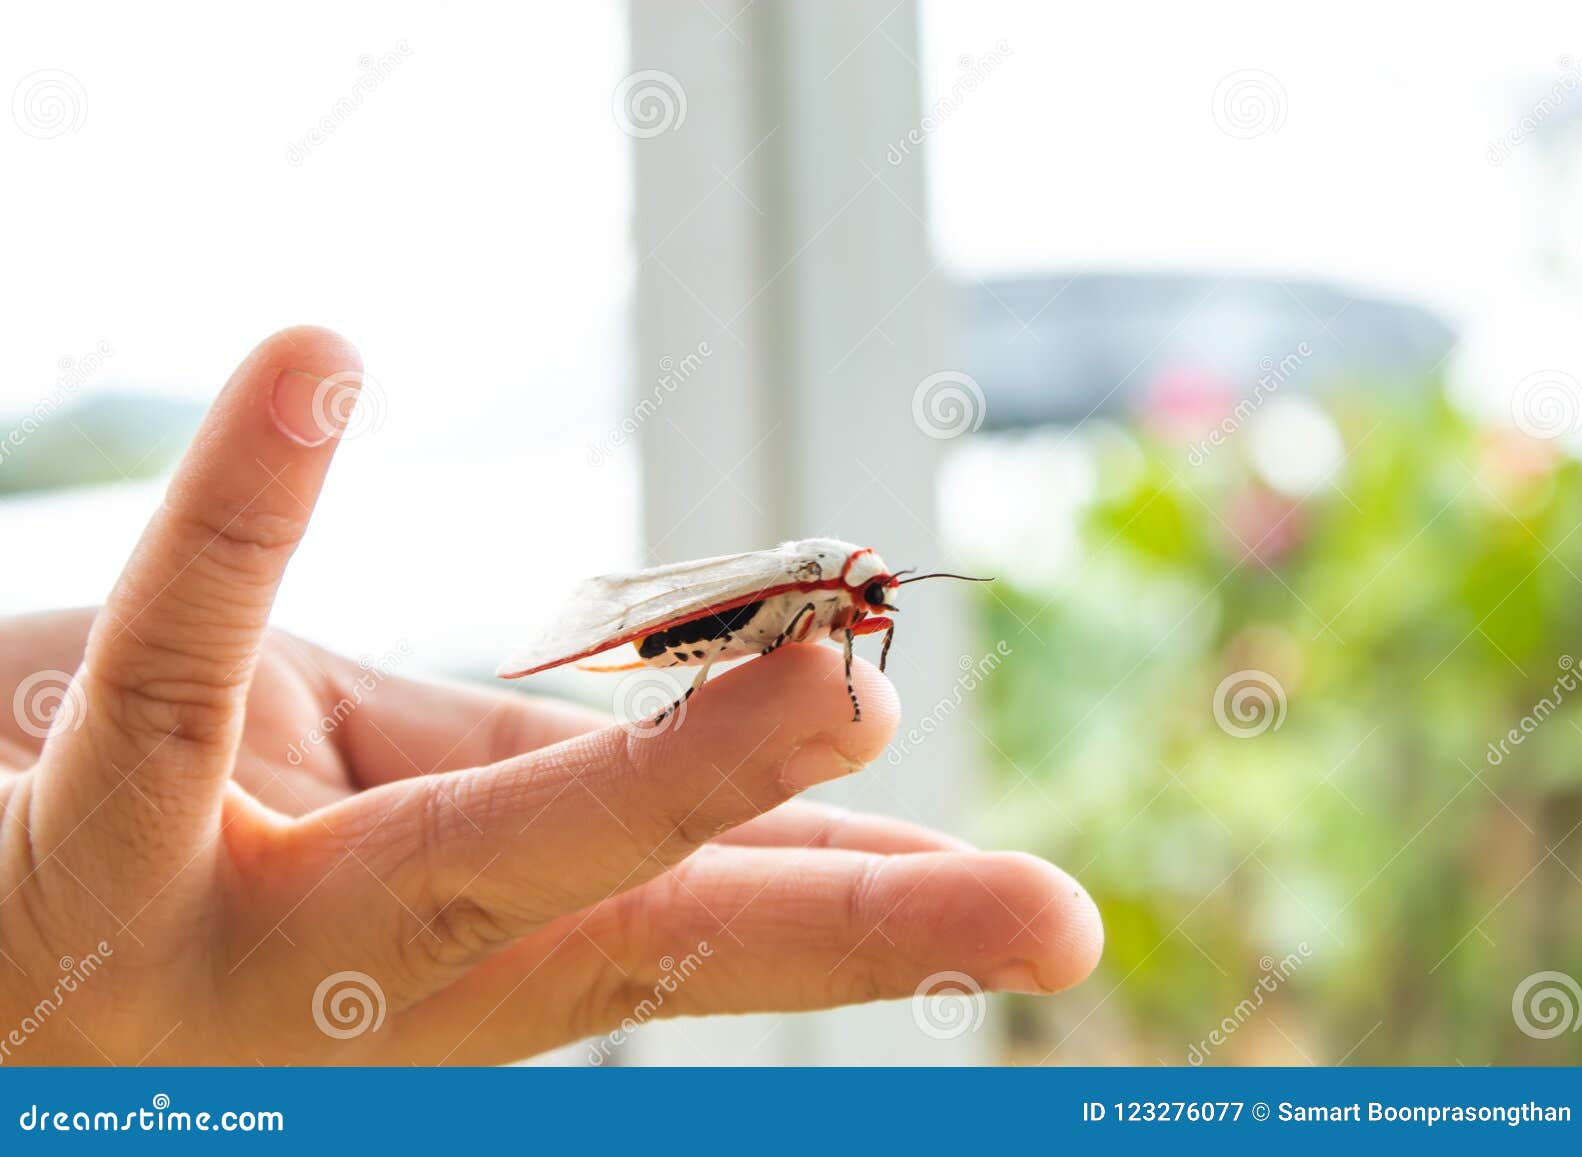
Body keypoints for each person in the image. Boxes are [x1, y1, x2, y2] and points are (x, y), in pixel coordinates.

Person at [0, 327, 1101, 1064]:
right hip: (697, 620)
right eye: (864, 597)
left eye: (872, 605)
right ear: (834, 584)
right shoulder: (805, 597)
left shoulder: (841, 608)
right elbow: (758, 625)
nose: (871, 612)